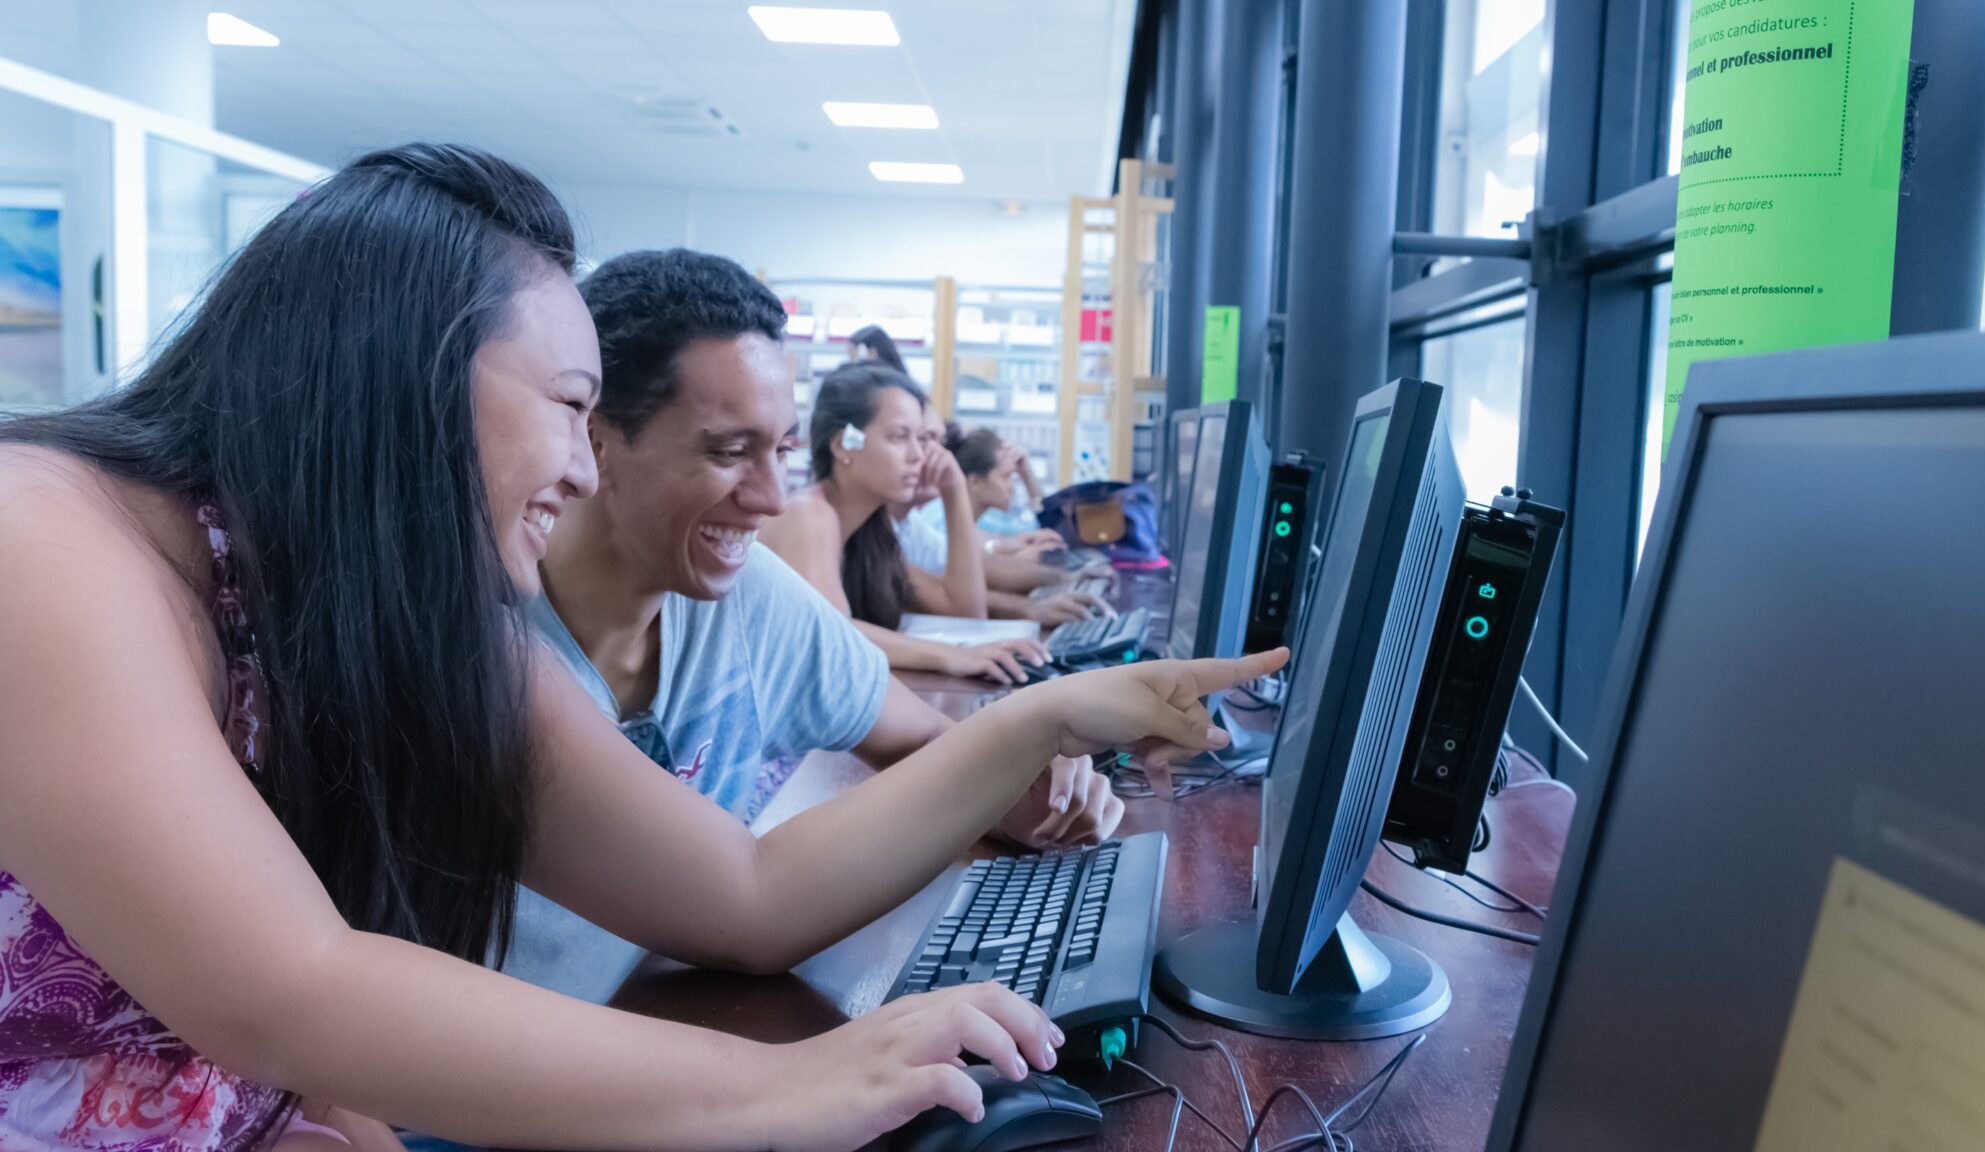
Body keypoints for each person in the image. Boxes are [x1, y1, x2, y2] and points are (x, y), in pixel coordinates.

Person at [0, 142, 1288, 1152]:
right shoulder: (44, 542)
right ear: (408, 372)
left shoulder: (381, 604)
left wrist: (1040, 717)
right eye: (568, 408)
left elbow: (740, 896)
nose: (576, 465)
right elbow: (290, 991)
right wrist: (777, 1085)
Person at [507, 248, 1124, 1005]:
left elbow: (922, 739)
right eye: (731, 452)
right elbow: (754, 908)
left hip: (661, 1015)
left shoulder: (745, 595)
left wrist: (1032, 796)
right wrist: (1035, 724)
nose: (770, 497)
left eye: (784, 451)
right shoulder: (496, 651)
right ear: (596, 436)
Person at [760, 363, 1050, 685]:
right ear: (845, 445)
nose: (919, 455)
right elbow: (833, 633)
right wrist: (952, 656)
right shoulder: (809, 514)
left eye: (920, 439)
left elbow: (967, 612)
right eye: (899, 437)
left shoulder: (870, 532)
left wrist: (955, 493)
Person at [894, 413, 1108, 627]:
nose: (940, 455)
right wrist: (955, 489)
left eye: (938, 442)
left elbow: (983, 563)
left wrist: (1068, 578)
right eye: (924, 438)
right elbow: (965, 604)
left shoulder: (912, 525)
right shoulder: (934, 515)